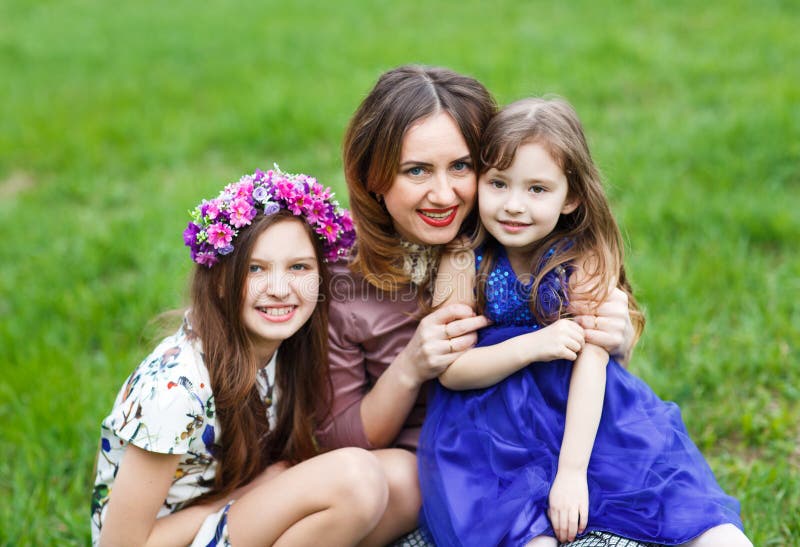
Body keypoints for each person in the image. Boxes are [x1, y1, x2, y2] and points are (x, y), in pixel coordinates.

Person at [315, 65, 641, 546]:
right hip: (431, 473)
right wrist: (411, 367)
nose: (444, 194)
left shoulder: (517, 237)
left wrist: (620, 334)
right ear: (372, 177)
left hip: (540, 447)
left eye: (462, 167)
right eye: (416, 170)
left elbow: (584, 343)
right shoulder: (338, 280)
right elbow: (336, 447)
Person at [417, 97, 752, 547]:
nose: (514, 205)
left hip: (591, 416)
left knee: (696, 518)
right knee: (523, 532)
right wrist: (536, 345)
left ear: (571, 196)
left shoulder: (583, 255)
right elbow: (452, 373)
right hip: (492, 430)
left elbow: (593, 361)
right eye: (498, 183)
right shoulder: (463, 258)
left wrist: (572, 472)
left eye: (537, 189)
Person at [90, 168, 391, 546]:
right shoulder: (175, 390)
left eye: (299, 267)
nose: (280, 289)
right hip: (176, 535)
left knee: (403, 477)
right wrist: (242, 496)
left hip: (235, 518)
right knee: (356, 480)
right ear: (218, 280)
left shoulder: (289, 347)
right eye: (255, 269)